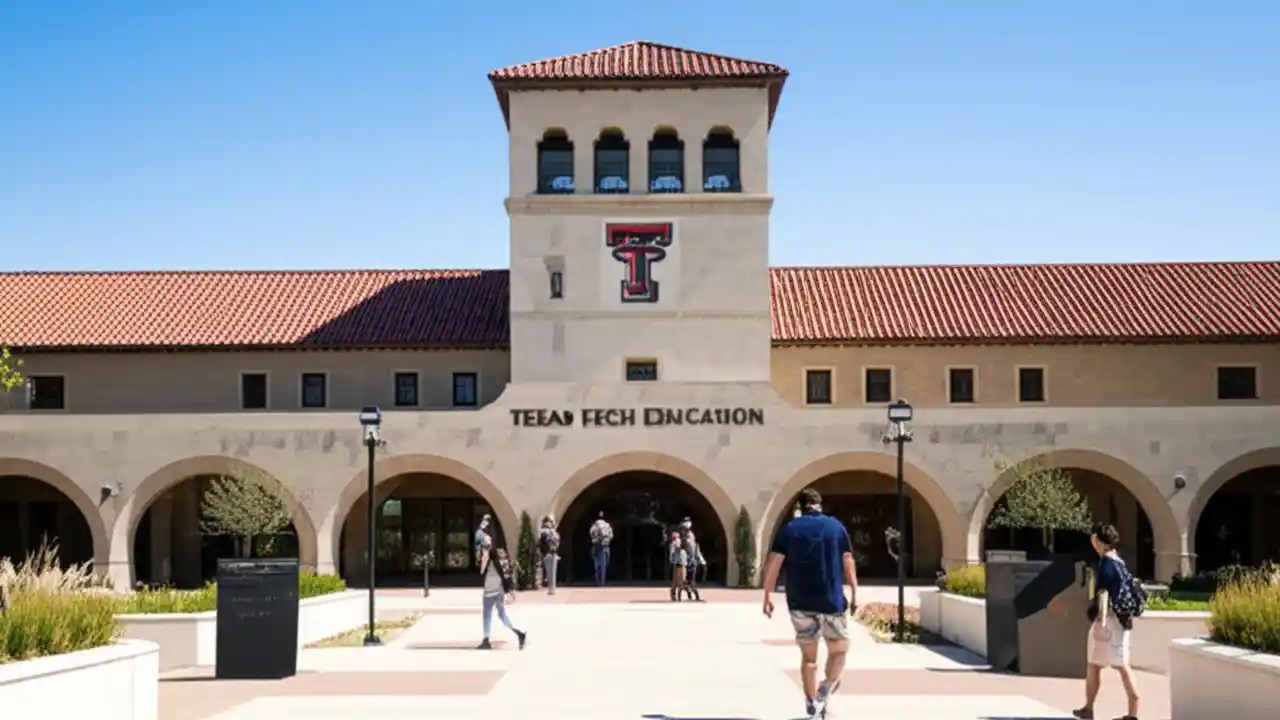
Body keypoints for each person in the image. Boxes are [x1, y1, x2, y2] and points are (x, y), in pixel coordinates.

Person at [762, 488, 857, 720]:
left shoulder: (790, 529)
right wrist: (854, 590)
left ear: (799, 507)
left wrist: (767, 594)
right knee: (839, 648)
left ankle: (810, 702)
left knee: (809, 657)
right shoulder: (836, 527)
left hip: (800, 601)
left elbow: (775, 562)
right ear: (819, 504)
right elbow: (847, 559)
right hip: (831, 600)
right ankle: (824, 690)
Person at [1073, 523, 1141, 720]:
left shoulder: (1106, 564)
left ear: (1100, 541)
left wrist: (1095, 615)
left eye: (1094, 538)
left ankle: (1130, 711)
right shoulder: (1119, 562)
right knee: (1100, 662)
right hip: (1119, 619)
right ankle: (1091, 708)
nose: (1092, 541)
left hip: (1109, 620)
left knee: (1114, 664)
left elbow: (1103, 594)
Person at [476, 540, 527, 651]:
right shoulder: (499, 557)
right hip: (500, 590)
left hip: (490, 589)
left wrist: (483, 557)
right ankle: (519, 632)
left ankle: (486, 640)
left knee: (487, 615)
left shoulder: (488, 556)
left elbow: (482, 570)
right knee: (502, 614)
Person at [680, 518, 704, 602]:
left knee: (690, 579)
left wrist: (701, 558)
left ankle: (691, 593)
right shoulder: (684, 536)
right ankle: (694, 595)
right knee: (688, 579)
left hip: (692, 559)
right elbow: (682, 548)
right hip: (687, 560)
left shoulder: (691, 535)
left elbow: (696, 547)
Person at [589, 511, 613, 586]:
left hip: (597, 545)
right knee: (606, 563)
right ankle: (602, 579)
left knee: (596, 561)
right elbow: (611, 535)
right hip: (605, 545)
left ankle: (599, 576)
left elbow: (591, 534)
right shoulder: (608, 525)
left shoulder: (594, 525)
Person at [538, 515, 561, 595]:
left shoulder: (543, 531)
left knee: (549, 572)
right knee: (552, 572)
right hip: (554, 553)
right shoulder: (553, 532)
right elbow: (557, 541)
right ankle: (552, 588)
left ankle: (551, 589)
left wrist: (542, 552)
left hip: (547, 553)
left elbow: (540, 543)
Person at [668, 530, 687, 601]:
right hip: (678, 562)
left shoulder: (680, 543)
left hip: (683, 562)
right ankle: (674, 593)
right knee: (677, 579)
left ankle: (678, 593)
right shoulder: (673, 544)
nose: (677, 539)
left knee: (682, 578)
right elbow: (673, 555)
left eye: (678, 537)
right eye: (675, 537)